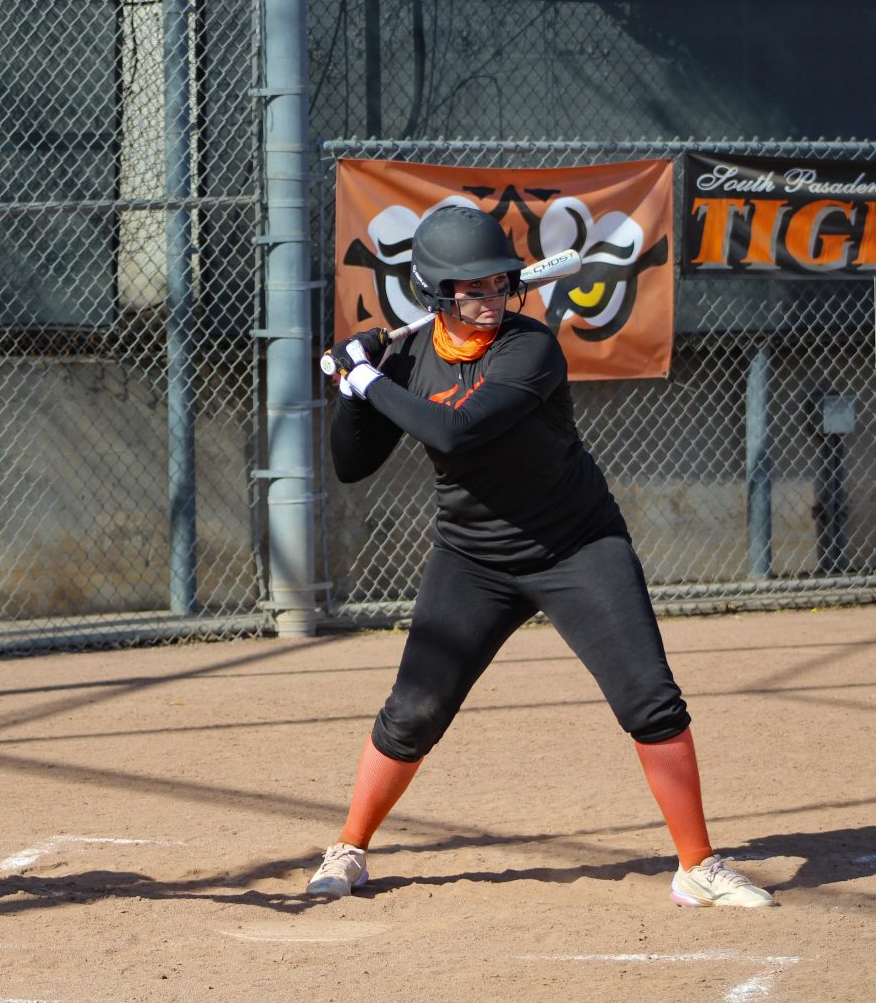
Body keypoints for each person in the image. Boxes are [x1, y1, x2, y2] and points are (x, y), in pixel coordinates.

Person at [309, 205, 775, 908]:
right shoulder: (407, 356)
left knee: (650, 702)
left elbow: (458, 432)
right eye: (474, 290)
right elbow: (351, 464)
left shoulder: (532, 348)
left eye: (501, 284)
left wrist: (371, 383)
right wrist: (353, 388)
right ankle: (350, 848)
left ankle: (697, 866)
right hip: (473, 558)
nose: (492, 300)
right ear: (435, 293)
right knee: (412, 714)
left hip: (576, 545)